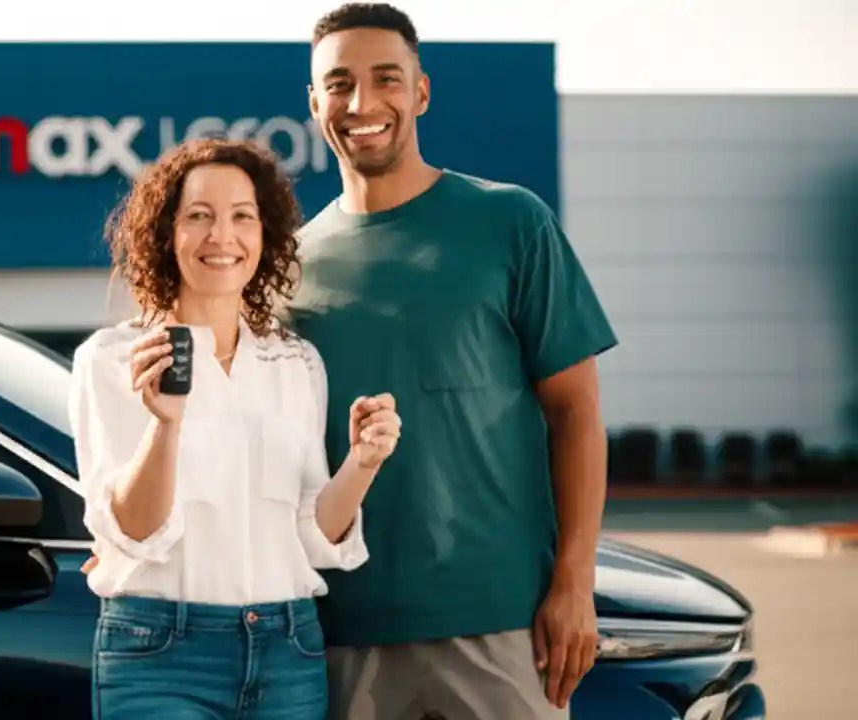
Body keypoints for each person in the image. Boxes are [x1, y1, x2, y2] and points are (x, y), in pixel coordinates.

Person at [286, 4, 619, 719]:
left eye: (386, 80)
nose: (362, 104)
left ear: (422, 92)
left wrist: (574, 580)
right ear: (314, 103)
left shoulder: (510, 222)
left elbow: (577, 412)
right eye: (338, 84)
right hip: (344, 634)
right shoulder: (289, 268)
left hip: (502, 626)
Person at [68, 137, 403, 719]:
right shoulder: (112, 359)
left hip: (286, 648)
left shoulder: (294, 364)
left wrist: (362, 463)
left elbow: (311, 534)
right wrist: (164, 426)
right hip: (160, 652)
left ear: (263, 235)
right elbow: (132, 532)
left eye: (242, 217)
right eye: (198, 216)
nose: (221, 236)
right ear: (166, 234)